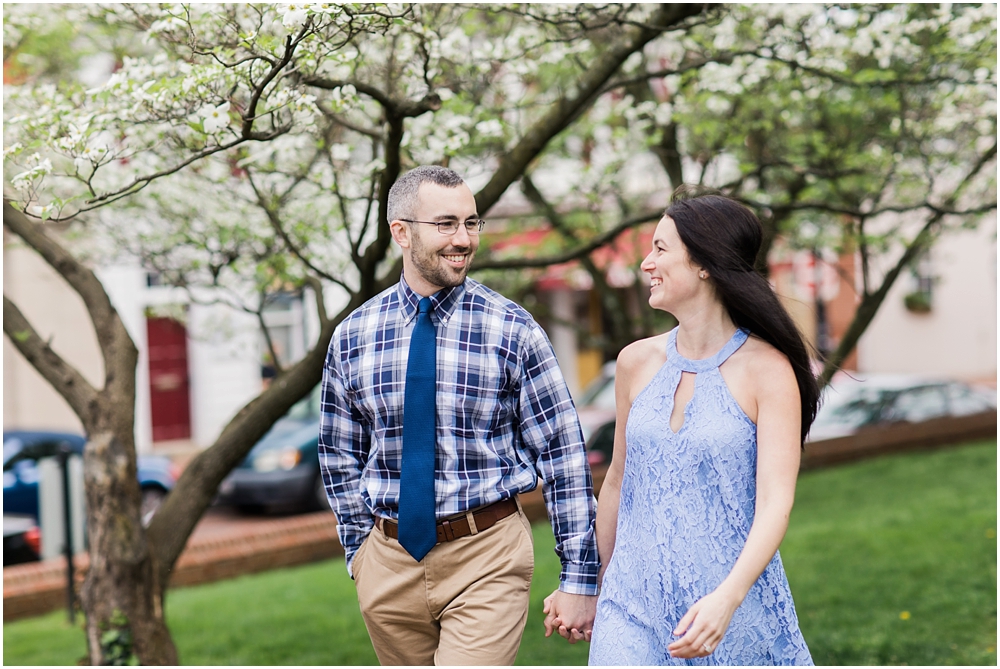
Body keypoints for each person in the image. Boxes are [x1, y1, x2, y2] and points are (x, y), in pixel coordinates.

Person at [318, 165, 599, 665]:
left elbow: (563, 454)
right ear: (401, 232)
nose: (464, 239)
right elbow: (339, 453)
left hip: (487, 554)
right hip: (387, 563)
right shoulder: (353, 336)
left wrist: (580, 575)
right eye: (446, 224)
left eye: (471, 223)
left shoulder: (513, 329)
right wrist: (361, 553)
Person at [584, 190, 820, 665]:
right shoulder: (634, 362)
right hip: (629, 606)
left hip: (729, 609)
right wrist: (590, 585)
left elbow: (775, 503)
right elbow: (616, 481)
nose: (646, 263)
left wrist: (727, 598)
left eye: (660, 248)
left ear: (704, 264)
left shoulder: (768, 371)